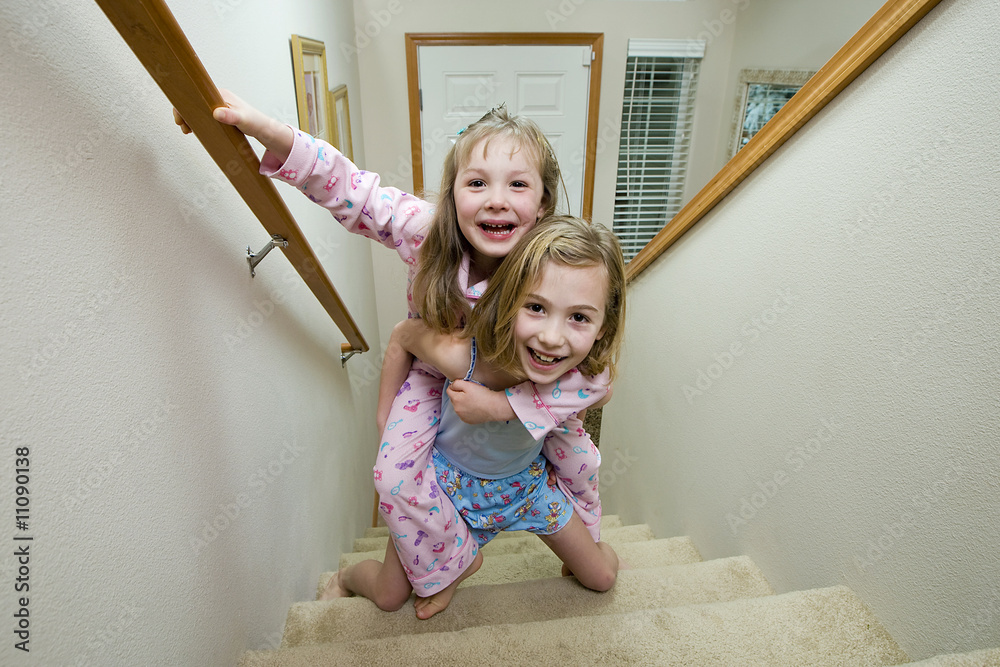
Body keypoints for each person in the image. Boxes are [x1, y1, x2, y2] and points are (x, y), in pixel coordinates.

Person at [174, 94, 610, 617]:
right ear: (451, 195)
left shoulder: (551, 261)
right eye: (477, 183)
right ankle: (443, 559)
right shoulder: (426, 232)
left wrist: (506, 407)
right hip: (431, 378)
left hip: (527, 396)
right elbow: (355, 191)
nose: (496, 201)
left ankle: (587, 539)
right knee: (392, 481)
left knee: (582, 461)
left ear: (542, 204)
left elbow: (593, 369)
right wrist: (266, 130)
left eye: (517, 185)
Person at [374, 216, 627, 600]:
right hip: (444, 490)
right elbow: (403, 337)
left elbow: (598, 391)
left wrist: (502, 408)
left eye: (579, 317)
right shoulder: (465, 358)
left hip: (527, 488)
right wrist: (384, 418)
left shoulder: (587, 379)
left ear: (603, 328)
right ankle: (348, 580)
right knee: (390, 596)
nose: (551, 338)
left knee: (602, 577)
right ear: (508, 301)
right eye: (536, 307)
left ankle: (598, 548)